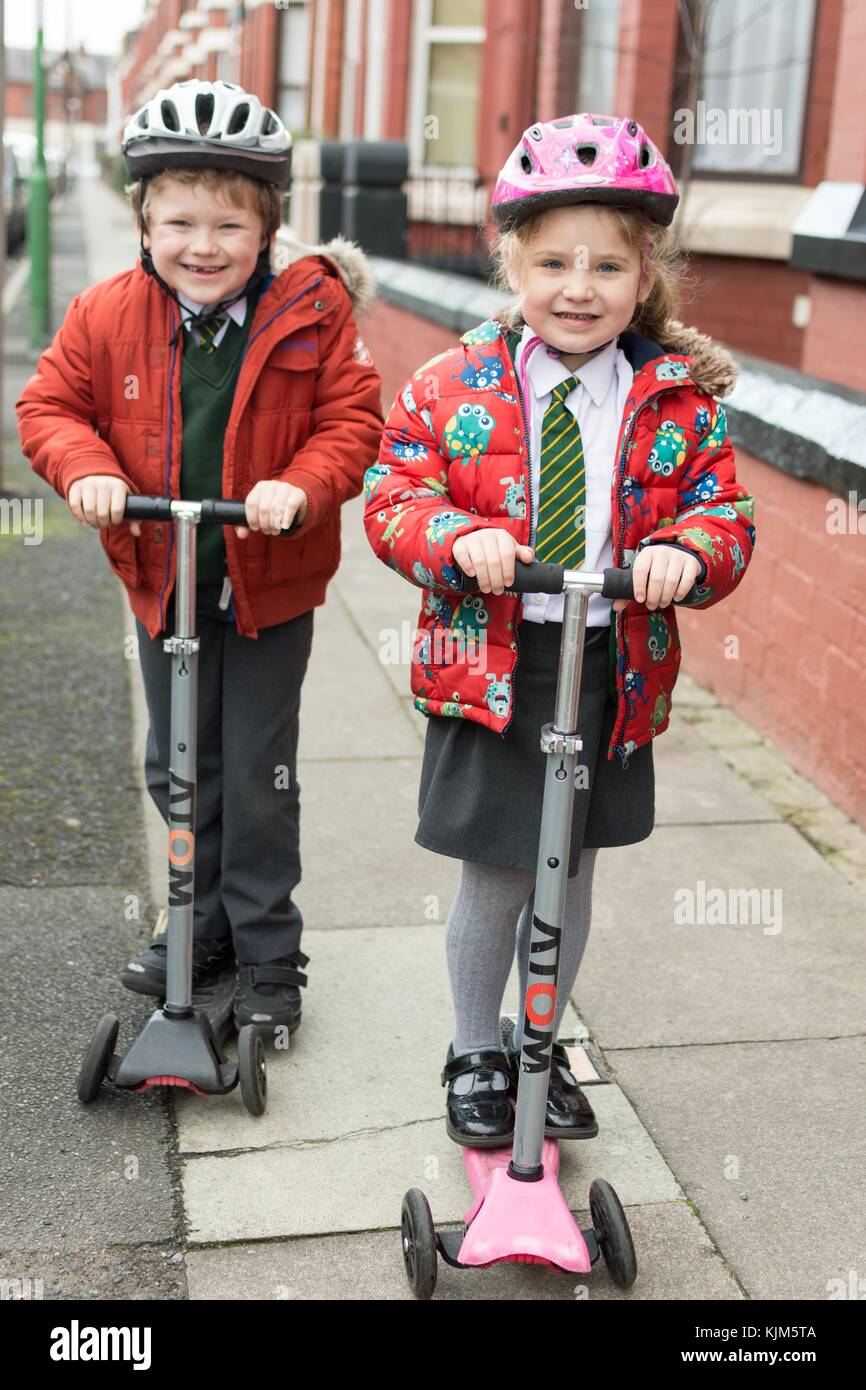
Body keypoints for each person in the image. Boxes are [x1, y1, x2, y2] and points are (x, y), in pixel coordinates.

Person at [363, 113, 755, 1146]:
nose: (577, 286)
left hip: (607, 663)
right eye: (551, 261)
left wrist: (684, 552)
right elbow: (391, 489)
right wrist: (453, 536)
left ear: (643, 273)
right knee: (497, 868)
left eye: (605, 264)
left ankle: (537, 1040)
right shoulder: (453, 382)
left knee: (568, 867)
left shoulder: (675, 401)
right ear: (508, 261)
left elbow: (722, 515)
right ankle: (473, 1046)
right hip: (496, 659)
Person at [18, 80, 383, 1038]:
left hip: (270, 583)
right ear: (143, 221)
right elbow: (48, 408)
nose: (204, 245)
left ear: (268, 228)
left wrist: (299, 486)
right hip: (164, 579)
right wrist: (89, 469)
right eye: (179, 221)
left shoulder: (313, 314)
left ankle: (268, 950)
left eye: (229, 223)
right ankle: (199, 923)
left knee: (257, 769)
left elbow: (354, 420)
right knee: (177, 763)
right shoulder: (106, 314)